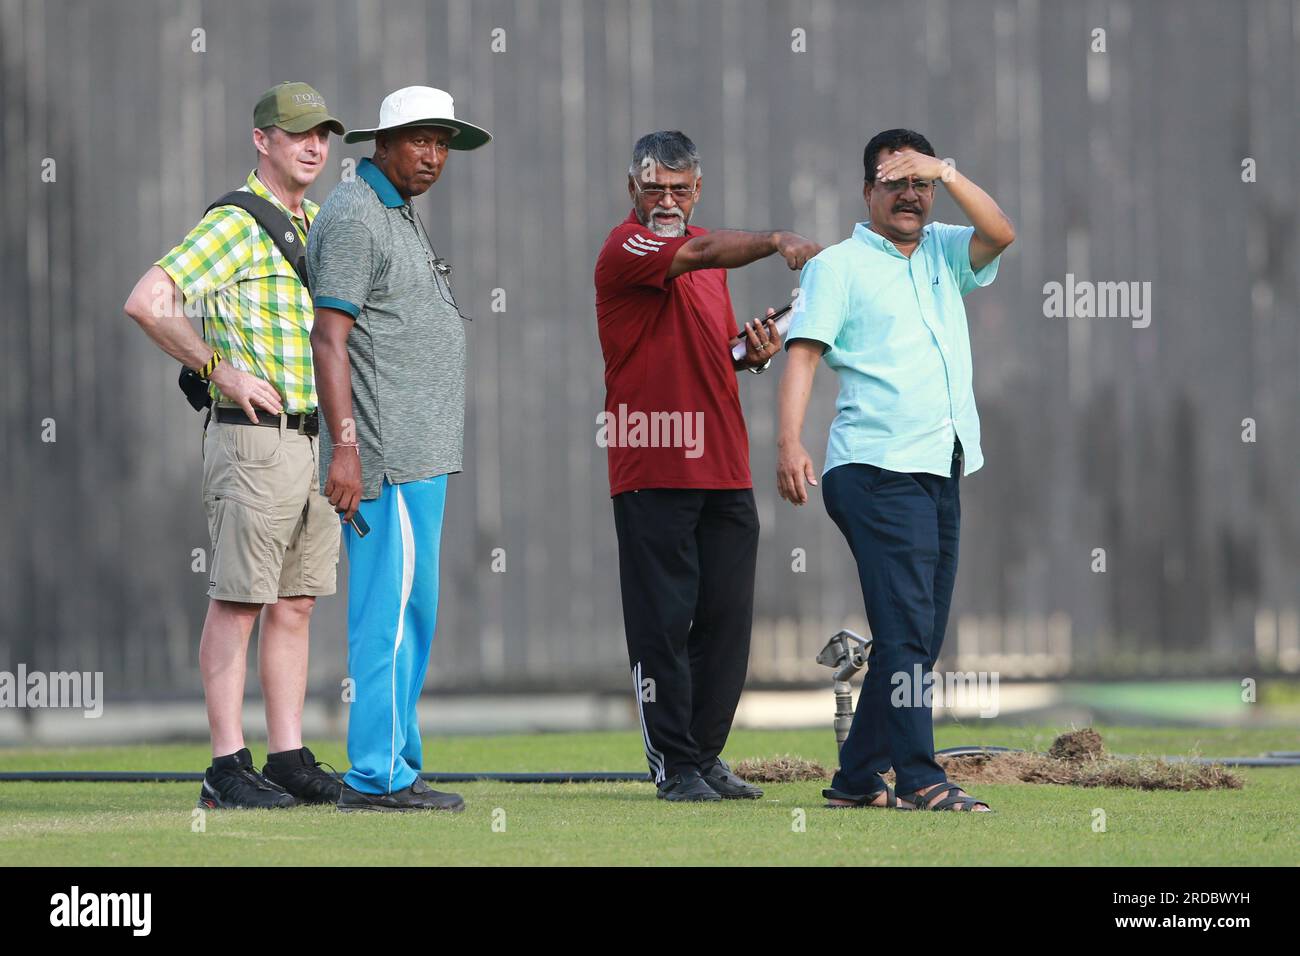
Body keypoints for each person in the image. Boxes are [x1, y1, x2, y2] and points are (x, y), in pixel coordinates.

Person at [776, 129, 1015, 812]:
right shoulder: (840, 265)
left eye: (921, 184)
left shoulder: (942, 248)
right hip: (876, 469)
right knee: (909, 628)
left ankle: (856, 778)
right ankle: (918, 775)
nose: (911, 195)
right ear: (867, 192)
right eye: (895, 182)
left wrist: (947, 170)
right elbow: (803, 355)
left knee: (918, 633)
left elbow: (1000, 231)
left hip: (940, 465)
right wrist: (789, 442)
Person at [123, 82, 346, 809]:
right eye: (298, 133)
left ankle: (286, 756)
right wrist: (219, 369)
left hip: (308, 441)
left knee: (296, 603)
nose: (314, 146)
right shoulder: (236, 222)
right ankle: (225, 766)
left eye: (323, 135)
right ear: (263, 141)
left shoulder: (314, 220)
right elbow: (148, 300)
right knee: (239, 602)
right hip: (253, 443)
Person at [595, 130, 821, 802]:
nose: (666, 199)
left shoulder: (709, 267)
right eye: (653, 187)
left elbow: (703, 351)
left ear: (698, 189)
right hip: (653, 462)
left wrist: (751, 354)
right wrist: (779, 239)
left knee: (726, 620)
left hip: (722, 466)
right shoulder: (629, 246)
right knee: (663, 623)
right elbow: (695, 249)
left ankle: (705, 754)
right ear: (631, 189)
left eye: (679, 188)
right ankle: (674, 763)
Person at [308, 86, 490, 813]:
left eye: (444, 142)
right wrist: (346, 449)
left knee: (412, 613)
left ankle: (397, 765)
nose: (435, 155)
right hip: (385, 458)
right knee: (385, 615)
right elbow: (330, 337)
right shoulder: (356, 214)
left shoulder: (395, 211)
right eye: (421, 139)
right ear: (381, 142)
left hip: (422, 457)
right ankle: (376, 777)